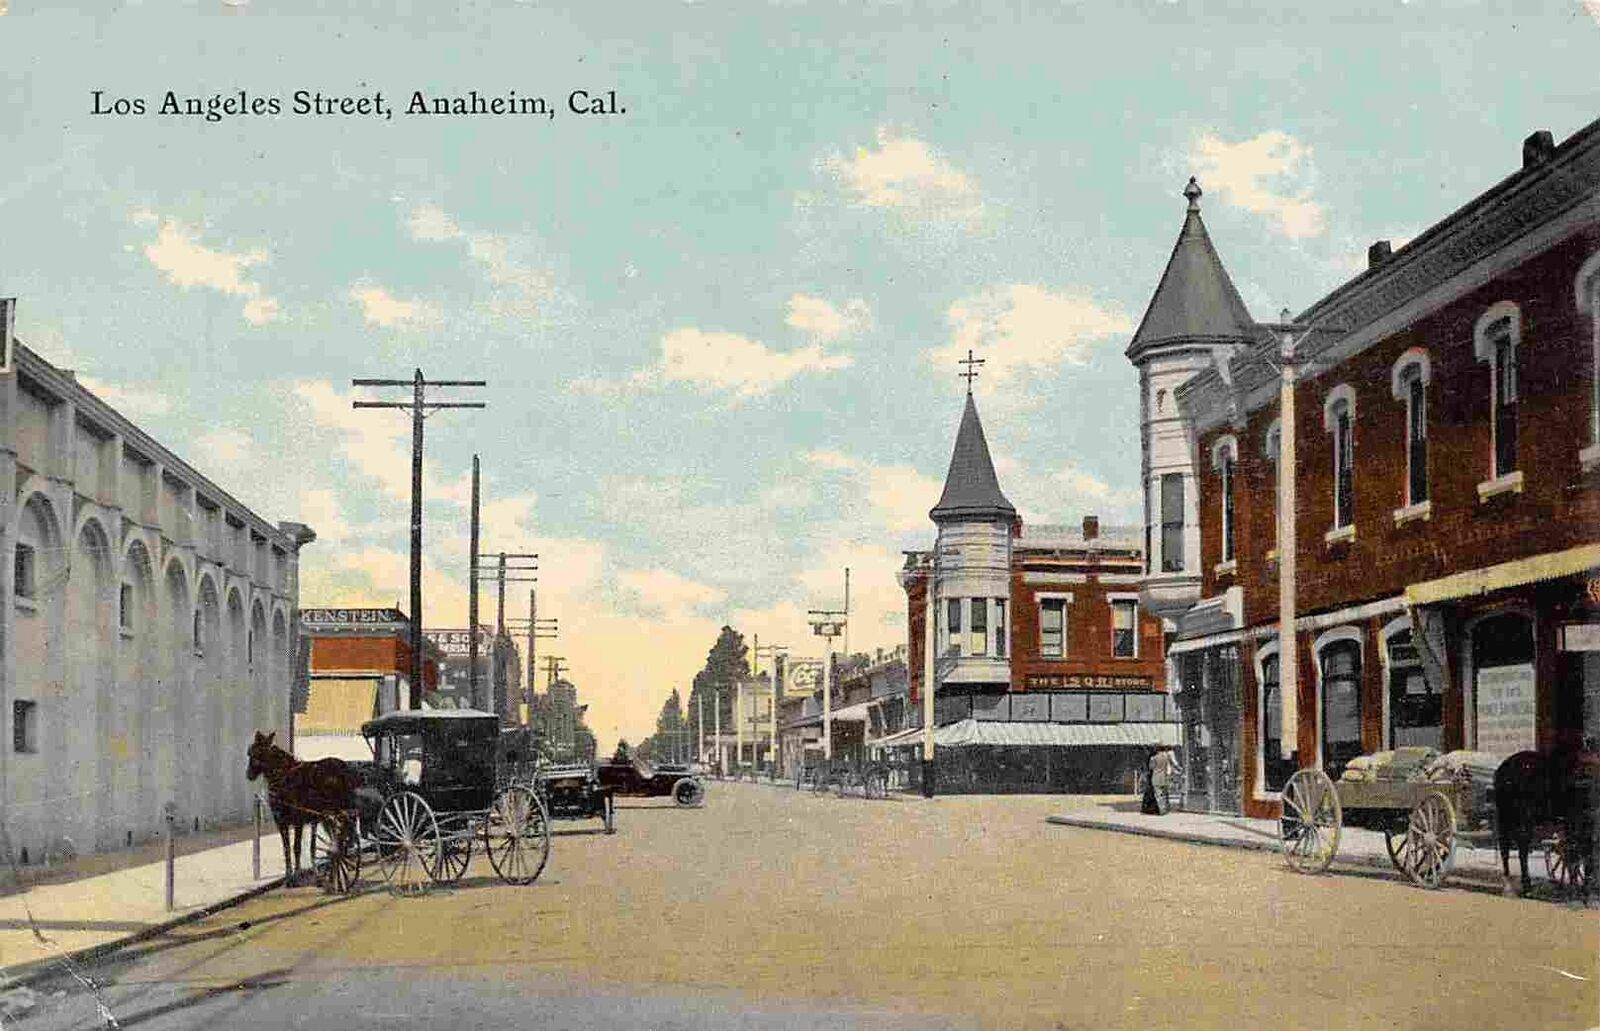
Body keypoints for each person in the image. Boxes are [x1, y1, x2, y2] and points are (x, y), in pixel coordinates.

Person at [1149, 748, 1179, 815]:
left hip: (1156, 778)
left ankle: (1162, 810)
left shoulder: (1154, 758)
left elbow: (1151, 767)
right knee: (1164, 794)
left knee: (1158, 795)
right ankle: (1166, 808)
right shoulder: (1166, 758)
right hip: (1164, 777)